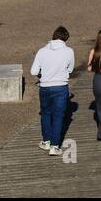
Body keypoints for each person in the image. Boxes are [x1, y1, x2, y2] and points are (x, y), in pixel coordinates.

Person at [30, 26, 74, 155]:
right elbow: (70, 69)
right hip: (61, 87)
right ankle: (55, 146)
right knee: (58, 116)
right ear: (65, 38)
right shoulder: (69, 51)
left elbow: (33, 71)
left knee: (45, 113)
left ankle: (46, 141)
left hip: (45, 86)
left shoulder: (42, 51)